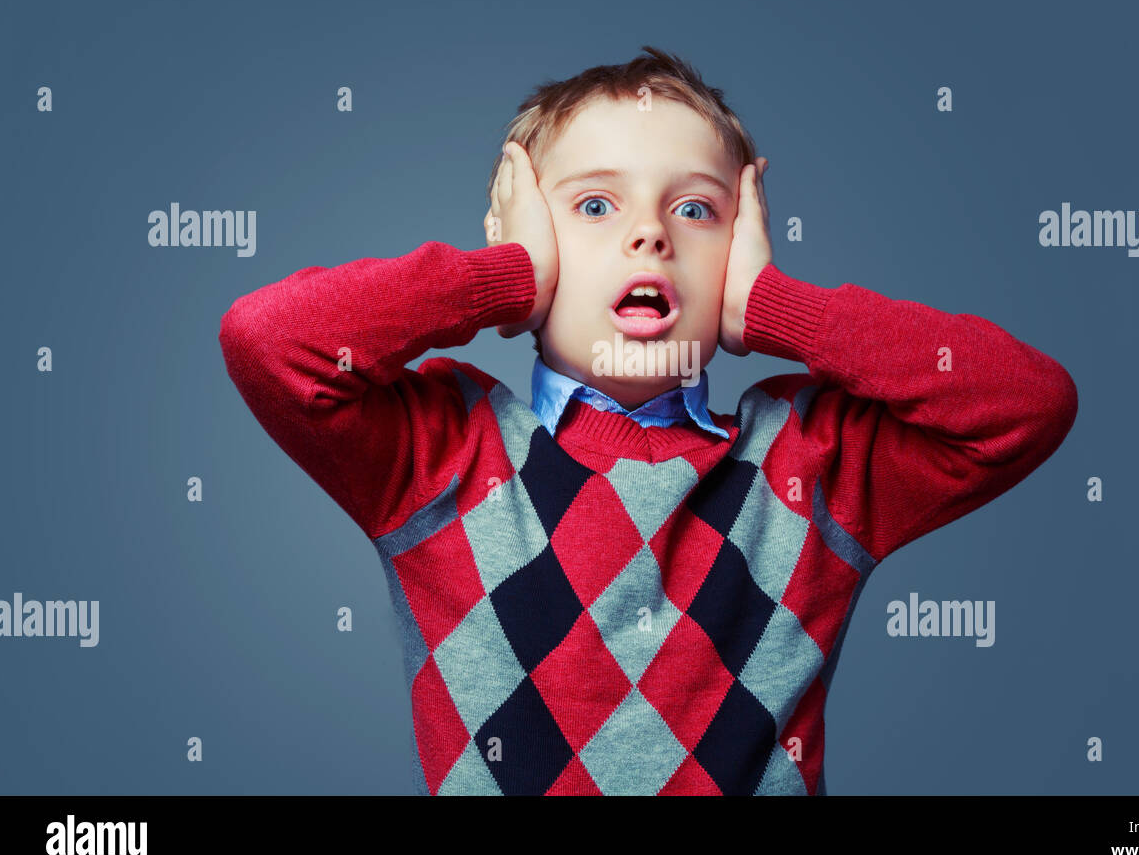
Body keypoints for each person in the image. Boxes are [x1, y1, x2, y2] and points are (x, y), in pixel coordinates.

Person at [218, 45, 1078, 795]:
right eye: (595, 206)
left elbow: (1026, 401)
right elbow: (270, 339)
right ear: (519, 235)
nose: (650, 236)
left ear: (739, 250)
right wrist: (503, 276)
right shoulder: (441, 451)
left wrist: (777, 311)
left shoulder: (808, 466)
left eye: (695, 210)